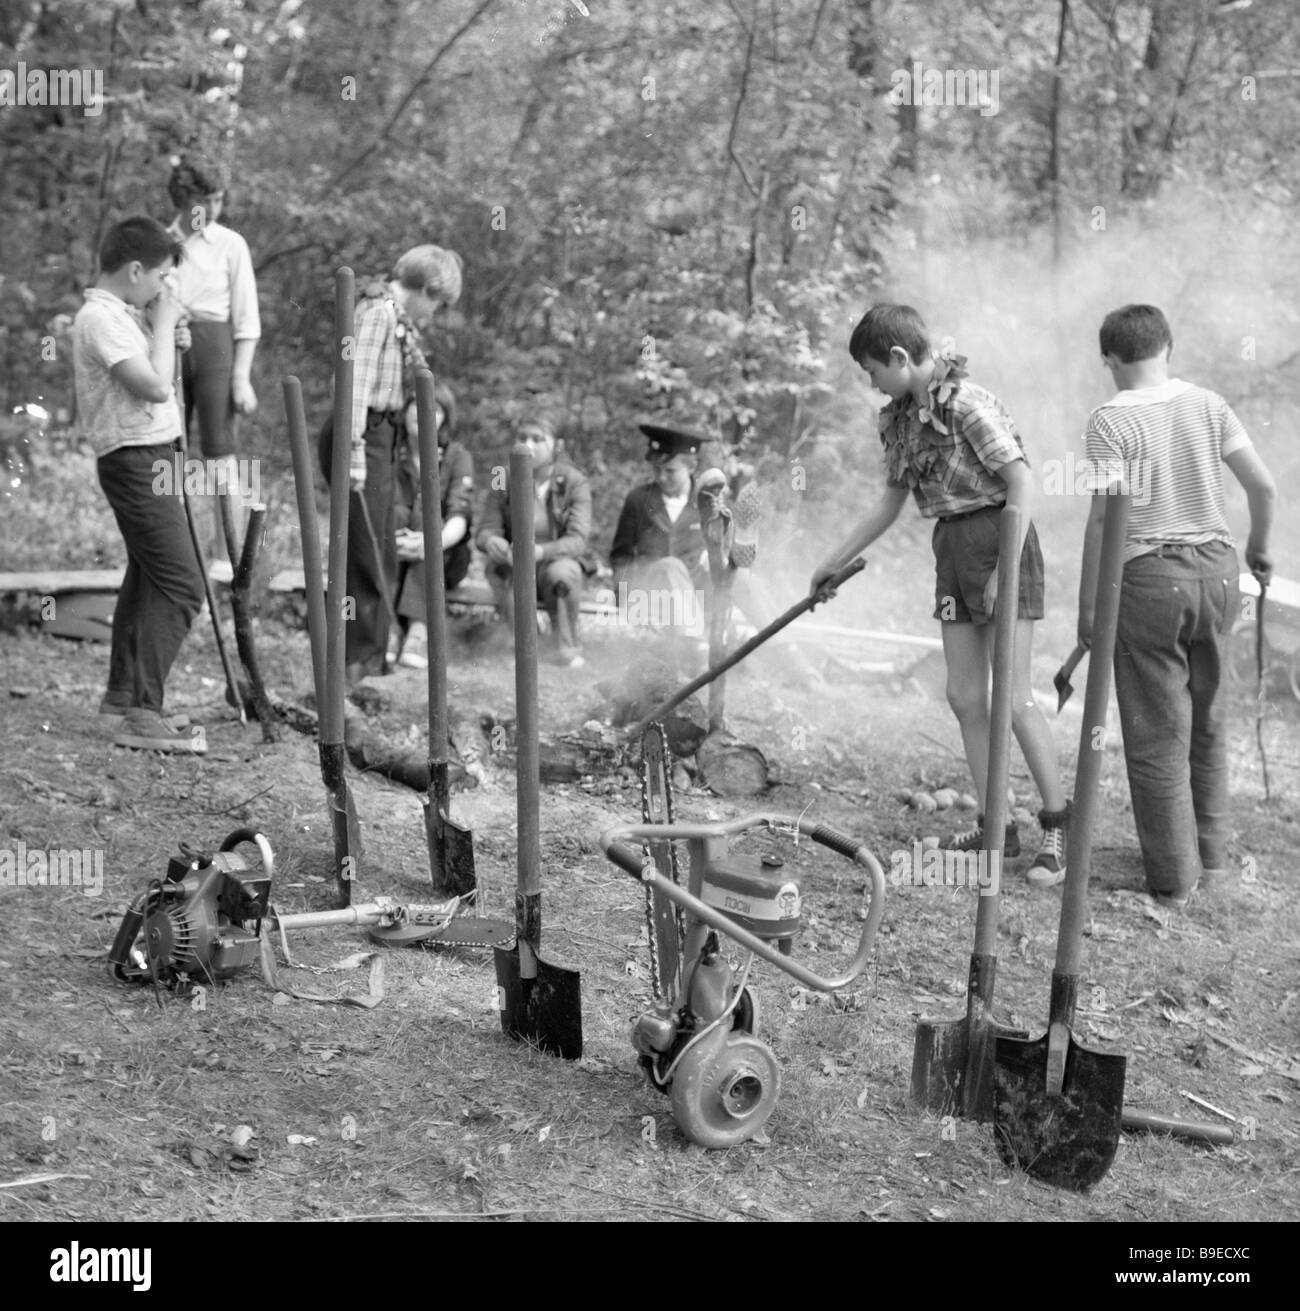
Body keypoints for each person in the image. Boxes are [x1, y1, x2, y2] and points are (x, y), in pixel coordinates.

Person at [810, 303, 1070, 886]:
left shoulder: (967, 403)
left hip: (1002, 536)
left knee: (1013, 694)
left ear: (900, 358)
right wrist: (832, 562)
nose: (870, 381)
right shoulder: (900, 419)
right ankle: (996, 825)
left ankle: (1057, 824)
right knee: (963, 694)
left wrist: (1004, 567)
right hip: (951, 548)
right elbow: (890, 501)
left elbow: (1022, 479)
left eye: (872, 369)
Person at [1079, 304, 1275, 909]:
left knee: (1157, 733)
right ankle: (1212, 863)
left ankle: (1173, 881)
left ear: (1109, 360)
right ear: (1169, 347)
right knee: (1209, 719)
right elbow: (1262, 486)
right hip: (1220, 575)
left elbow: (1106, 519)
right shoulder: (1208, 404)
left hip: (1149, 580)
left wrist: (1089, 608)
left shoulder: (1109, 421)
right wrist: (1259, 550)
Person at [73, 216, 207, 754]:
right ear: (134, 270)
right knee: (182, 584)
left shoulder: (121, 316)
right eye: (159, 278)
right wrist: (167, 322)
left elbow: (158, 378)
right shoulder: (98, 319)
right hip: (135, 460)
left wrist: (163, 332)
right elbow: (153, 388)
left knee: (149, 576)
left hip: (150, 454)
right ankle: (144, 711)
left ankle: (121, 695)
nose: (161, 290)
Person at [318, 243, 463, 680]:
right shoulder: (378, 312)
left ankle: (371, 658)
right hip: (361, 433)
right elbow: (354, 385)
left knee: (377, 549)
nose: (433, 314)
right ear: (425, 288)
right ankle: (357, 666)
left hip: (379, 435)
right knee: (365, 556)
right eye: (436, 304)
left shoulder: (395, 317)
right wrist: (355, 453)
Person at [165, 156, 261, 561]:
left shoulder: (229, 244)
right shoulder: (162, 241)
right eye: (206, 201)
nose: (214, 210)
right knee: (170, 450)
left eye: (220, 200)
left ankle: (228, 557)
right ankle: (176, 549)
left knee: (220, 452)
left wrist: (241, 378)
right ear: (185, 200)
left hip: (215, 347)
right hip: (168, 346)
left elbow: (247, 319)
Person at [476, 411, 591, 667]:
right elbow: (485, 528)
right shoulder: (501, 476)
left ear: (557, 445)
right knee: (500, 571)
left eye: (538, 439)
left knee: (564, 573)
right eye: (523, 437)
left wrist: (539, 552)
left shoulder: (574, 480)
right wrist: (494, 542)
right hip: (513, 563)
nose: (528, 445)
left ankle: (566, 648)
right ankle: (523, 644)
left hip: (553, 561)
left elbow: (577, 539)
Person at [388, 380, 474, 669]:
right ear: (405, 410)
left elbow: (459, 516)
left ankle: (418, 630)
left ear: (445, 419)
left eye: (435, 409)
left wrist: (427, 544)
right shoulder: (389, 451)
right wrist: (394, 540)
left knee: (428, 515)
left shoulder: (456, 457)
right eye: (417, 405)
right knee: (399, 514)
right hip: (393, 549)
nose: (424, 413)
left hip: (443, 556)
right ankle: (388, 627)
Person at [609, 424, 711, 638]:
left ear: (692, 467)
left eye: (671, 471)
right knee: (670, 566)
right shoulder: (639, 500)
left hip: (699, 591)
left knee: (743, 578)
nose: (662, 477)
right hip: (652, 591)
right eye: (657, 470)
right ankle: (692, 646)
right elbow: (621, 557)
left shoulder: (708, 502)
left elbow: (723, 552)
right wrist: (626, 597)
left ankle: (785, 646)